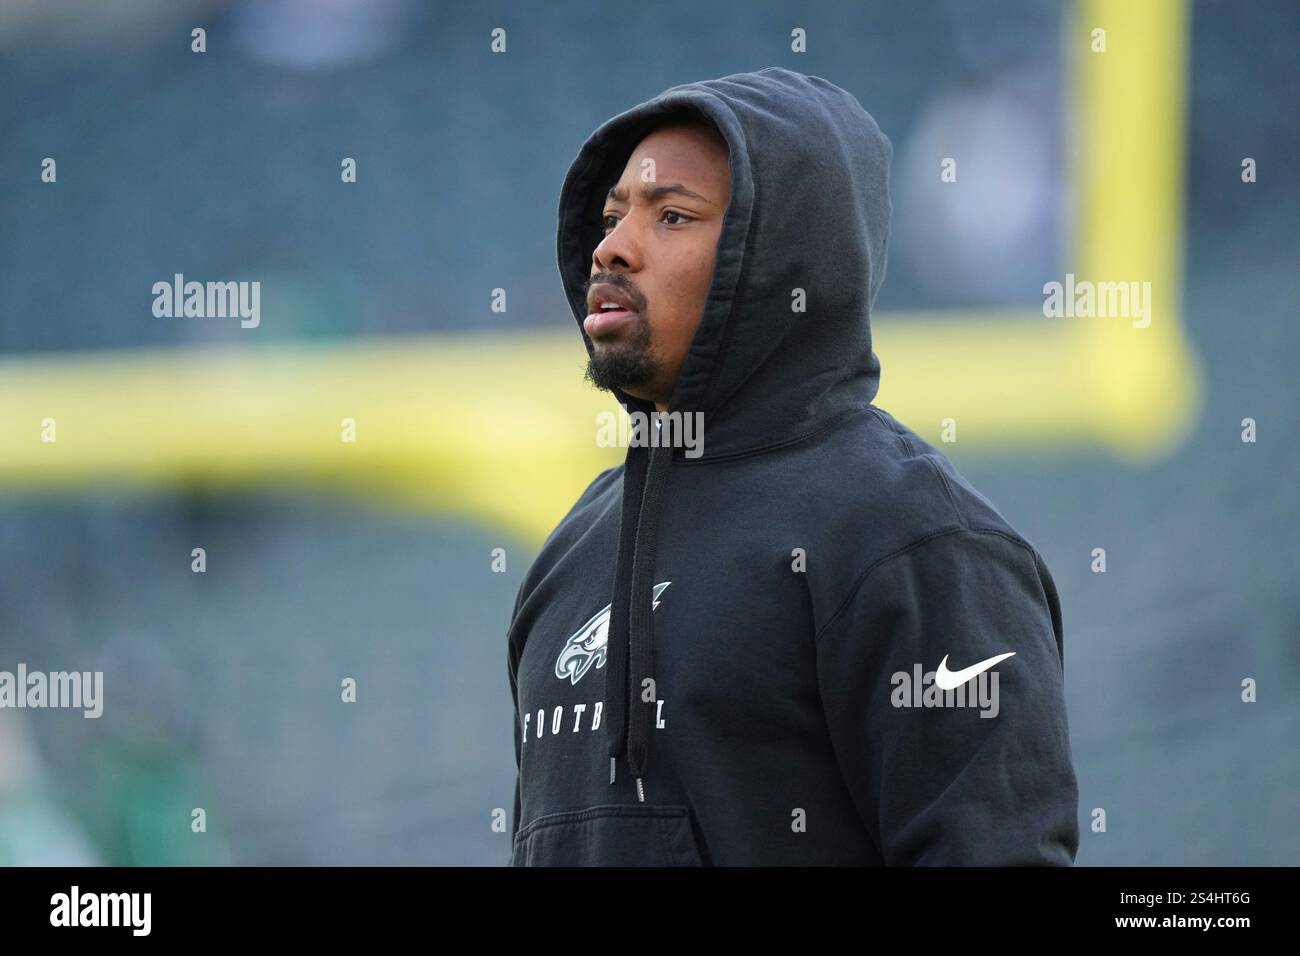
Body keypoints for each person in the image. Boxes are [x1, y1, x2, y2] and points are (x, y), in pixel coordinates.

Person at [506, 67, 1079, 865]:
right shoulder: (573, 552)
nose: (612, 248)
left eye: (671, 216)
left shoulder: (916, 538)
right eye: (611, 218)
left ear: (778, 257)